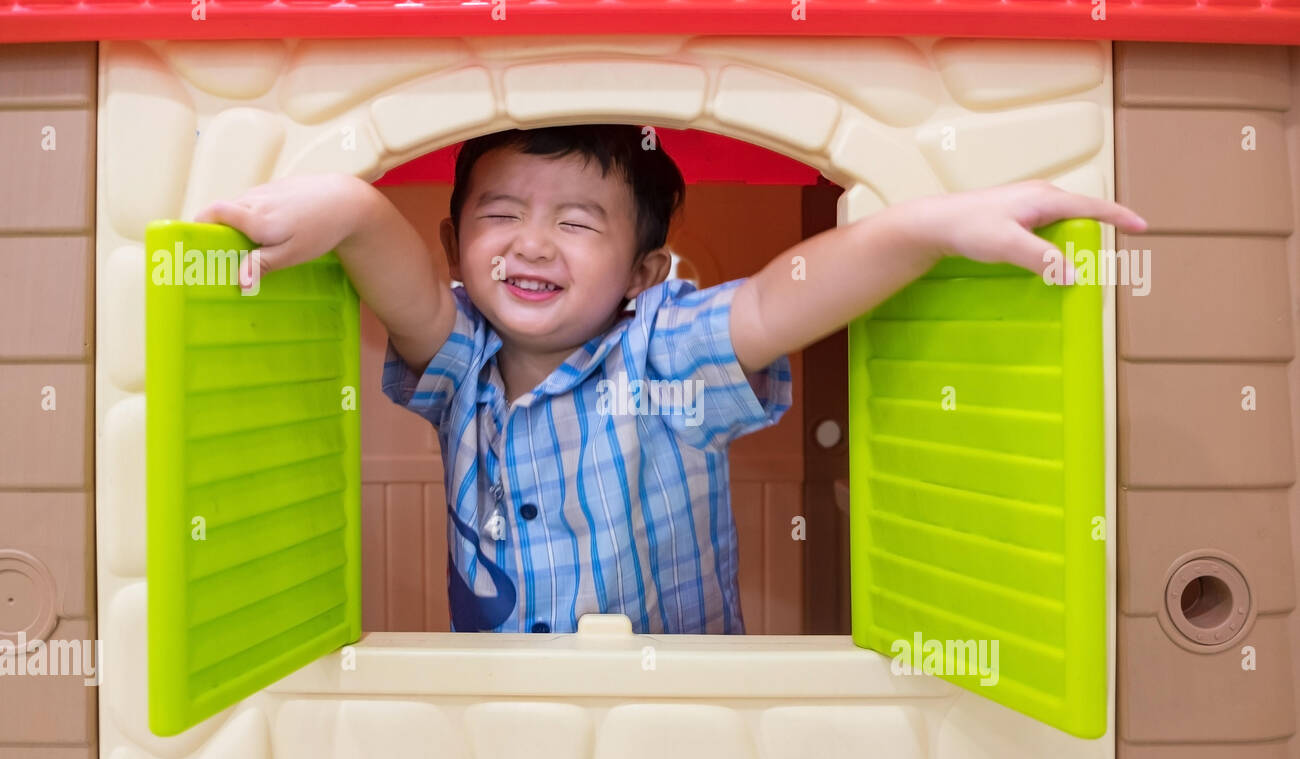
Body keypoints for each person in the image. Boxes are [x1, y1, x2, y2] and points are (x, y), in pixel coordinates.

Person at [196, 124, 1146, 634]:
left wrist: (930, 226)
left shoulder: (663, 347)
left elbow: (785, 298)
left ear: (644, 271)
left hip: (674, 711)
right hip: (495, 713)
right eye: (501, 214)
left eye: (578, 222)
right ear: (456, 244)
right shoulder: (461, 367)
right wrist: (353, 209)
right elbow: (402, 287)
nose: (532, 241)